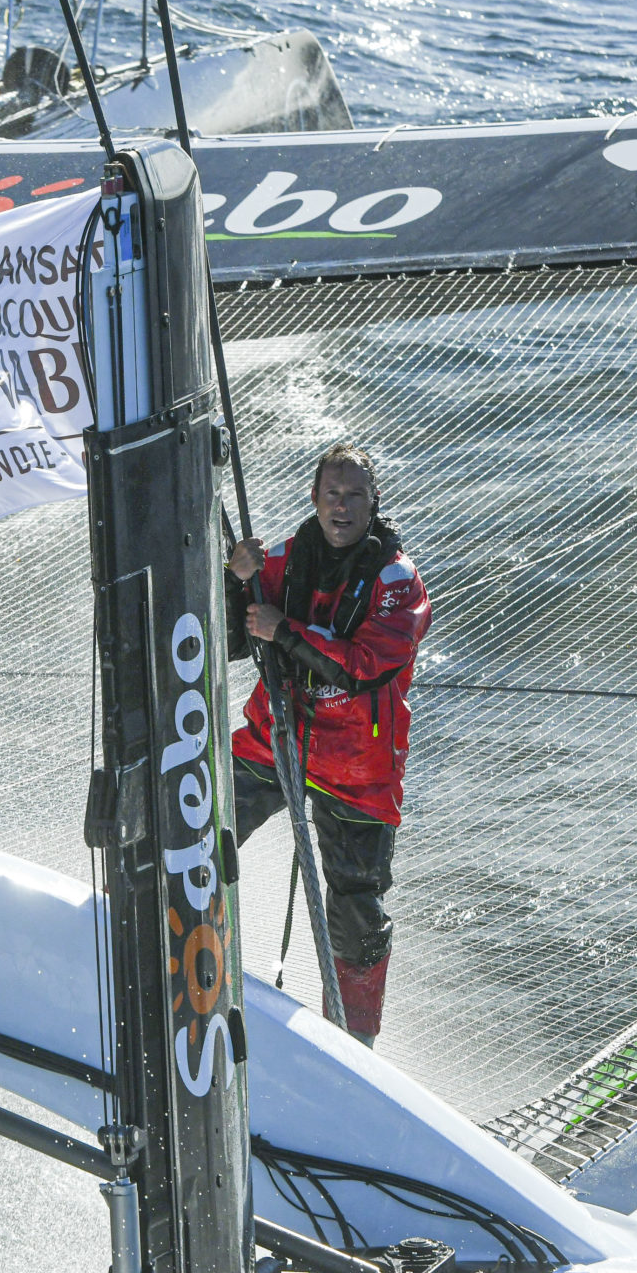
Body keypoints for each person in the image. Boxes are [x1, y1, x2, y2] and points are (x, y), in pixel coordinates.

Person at [226, 443, 430, 1043]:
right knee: (199, 830)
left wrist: (285, 628)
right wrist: (236, 574)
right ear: (314, 499)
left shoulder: (399, 582)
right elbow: (237, 627)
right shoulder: (282, 558)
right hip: (276, 737)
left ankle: (353, 1044)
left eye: (355, 496)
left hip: (358, 768)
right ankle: (187, 963)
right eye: (332, 494)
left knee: (355, 913)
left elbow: (364, 666)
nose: (342, 507)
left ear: (374, 504)